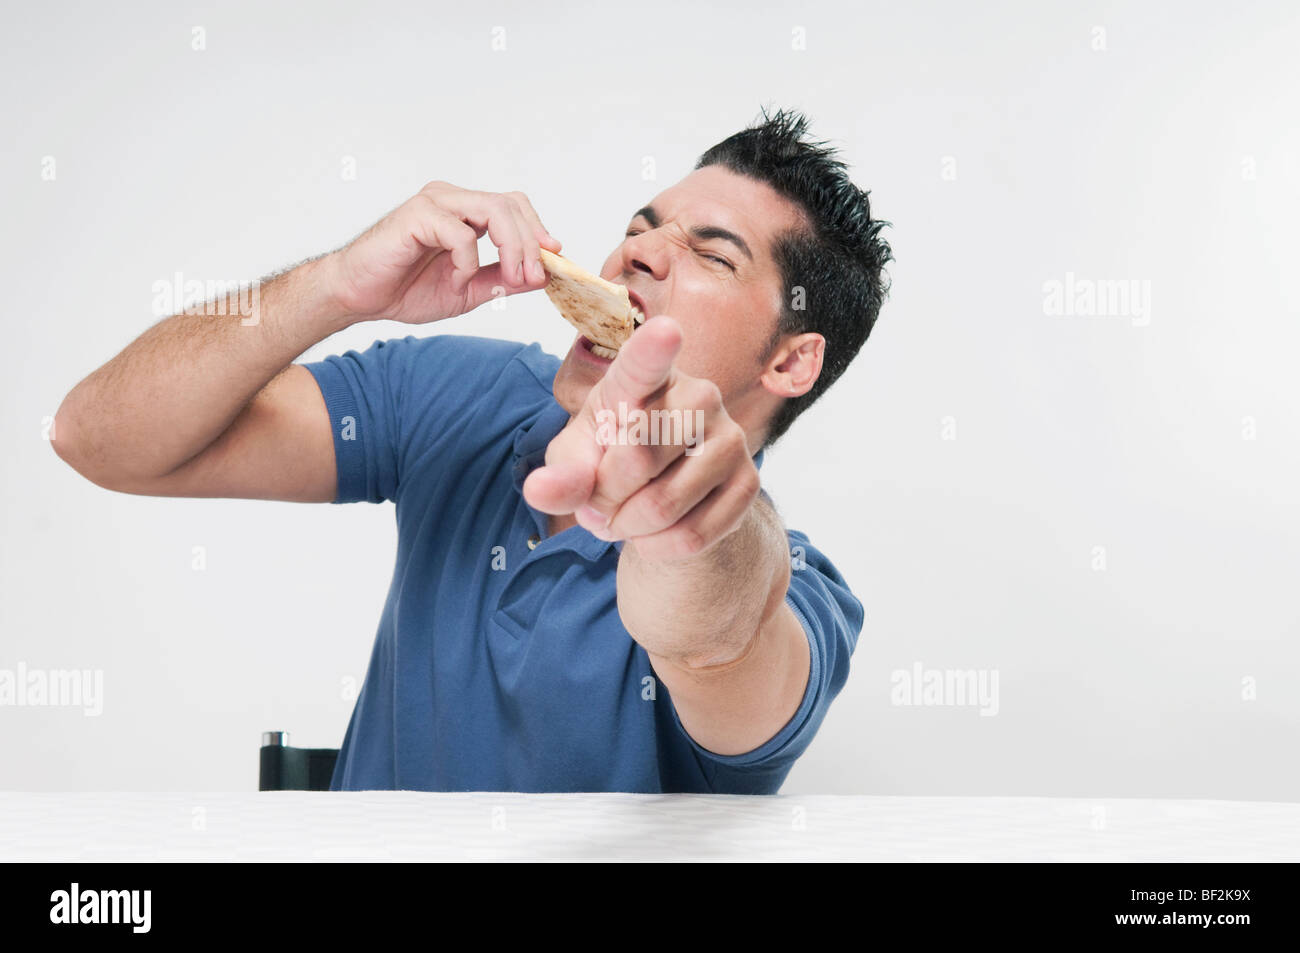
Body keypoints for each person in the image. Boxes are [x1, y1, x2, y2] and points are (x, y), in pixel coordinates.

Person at [51, 108, 892, 794]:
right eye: (643, 227)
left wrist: (692, 534)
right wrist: (336, 285)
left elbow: (722, 638)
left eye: (711, 253)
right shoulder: (465, 395)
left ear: (790, 360)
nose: (637, 250)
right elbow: (95, 436)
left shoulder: (796, 592)